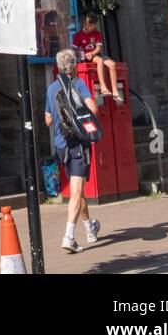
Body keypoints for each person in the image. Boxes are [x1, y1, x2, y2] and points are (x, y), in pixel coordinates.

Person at [45, 48, 101, 253]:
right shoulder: (78, 84)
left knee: (79, 190)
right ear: (74, 65)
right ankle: (68, 236)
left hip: (61, 145)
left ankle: (90, 228)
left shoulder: (52, 88)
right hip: (77, 143)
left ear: (59, 67)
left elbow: (48, 120)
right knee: (76, 191)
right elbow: (93, 109)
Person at [72, 11, 122, 102]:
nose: (88, 28)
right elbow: (74, 49)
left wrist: (92, 53)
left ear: (95, 25)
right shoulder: (78, 35)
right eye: (87, 25)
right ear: (84, 23)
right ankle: (103, 87)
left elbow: (98, 48)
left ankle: (115, 91)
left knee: (112, 64)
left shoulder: (97, 33)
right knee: (99, 61)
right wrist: (79, 53)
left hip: (94, 53)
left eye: (91, 26)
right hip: (86, 56)